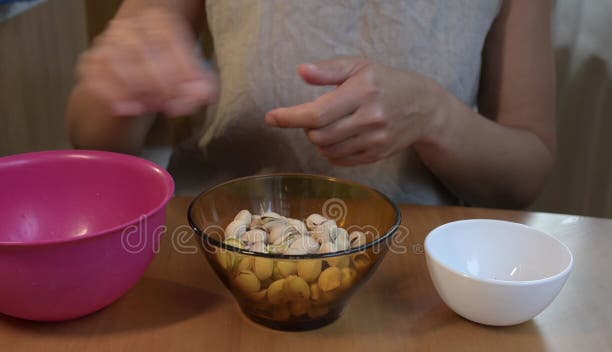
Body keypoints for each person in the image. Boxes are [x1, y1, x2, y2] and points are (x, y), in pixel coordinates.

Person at [66, 0, 555, 208]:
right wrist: (118, 87)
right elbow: (89, 133)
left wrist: (435, 117)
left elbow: (525, 172)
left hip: (417, 269)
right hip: (215, 244)